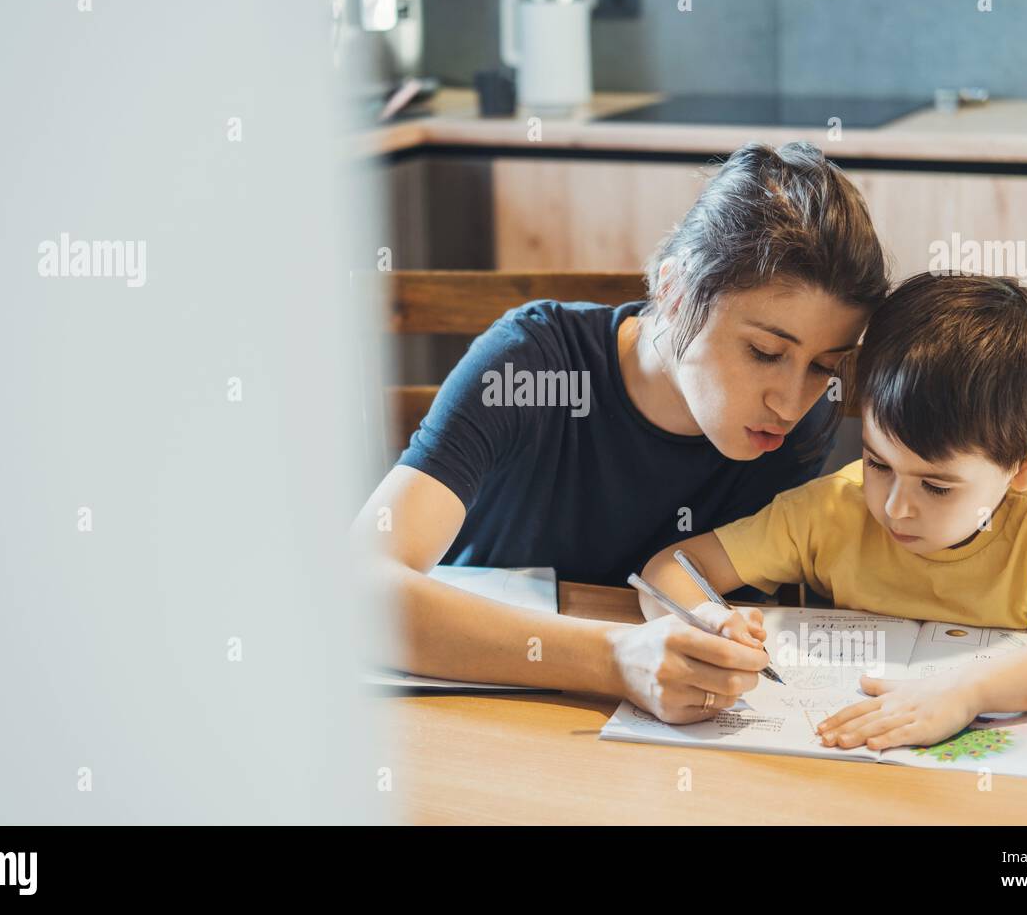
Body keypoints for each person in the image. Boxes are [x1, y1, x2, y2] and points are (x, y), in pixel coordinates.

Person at [354, 141, 888, 724]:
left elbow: (701, 589)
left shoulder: (800, 423)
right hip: (475, 704)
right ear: (676, 294)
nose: (790, 402)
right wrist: (612, 660)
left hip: (639, 736)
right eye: (764, 352)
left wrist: (713, 630)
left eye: (823, 366)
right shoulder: (529, 364)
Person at [639, 272, 1027, 746]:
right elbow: (670, 569)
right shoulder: (832, 509)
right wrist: (707, 620)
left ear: (1025, 466)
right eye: (877, 463)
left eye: (936, 487)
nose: (894, 507)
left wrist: (967, 692)